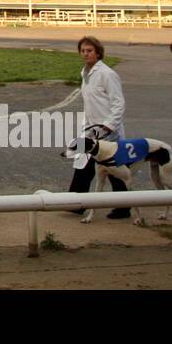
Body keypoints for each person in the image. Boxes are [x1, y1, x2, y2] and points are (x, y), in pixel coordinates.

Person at [67, 35, 130, 218]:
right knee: (81, 163)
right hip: (89, 129)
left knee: (113, 169)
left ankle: (123, 207)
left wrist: (110, 125)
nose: (85, 54)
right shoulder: (85, 73)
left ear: (98, 52)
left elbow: (119, 103)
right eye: (83, 51)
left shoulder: (107, 74)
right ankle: (76, 202)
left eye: (89, 51)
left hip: (107, 130)